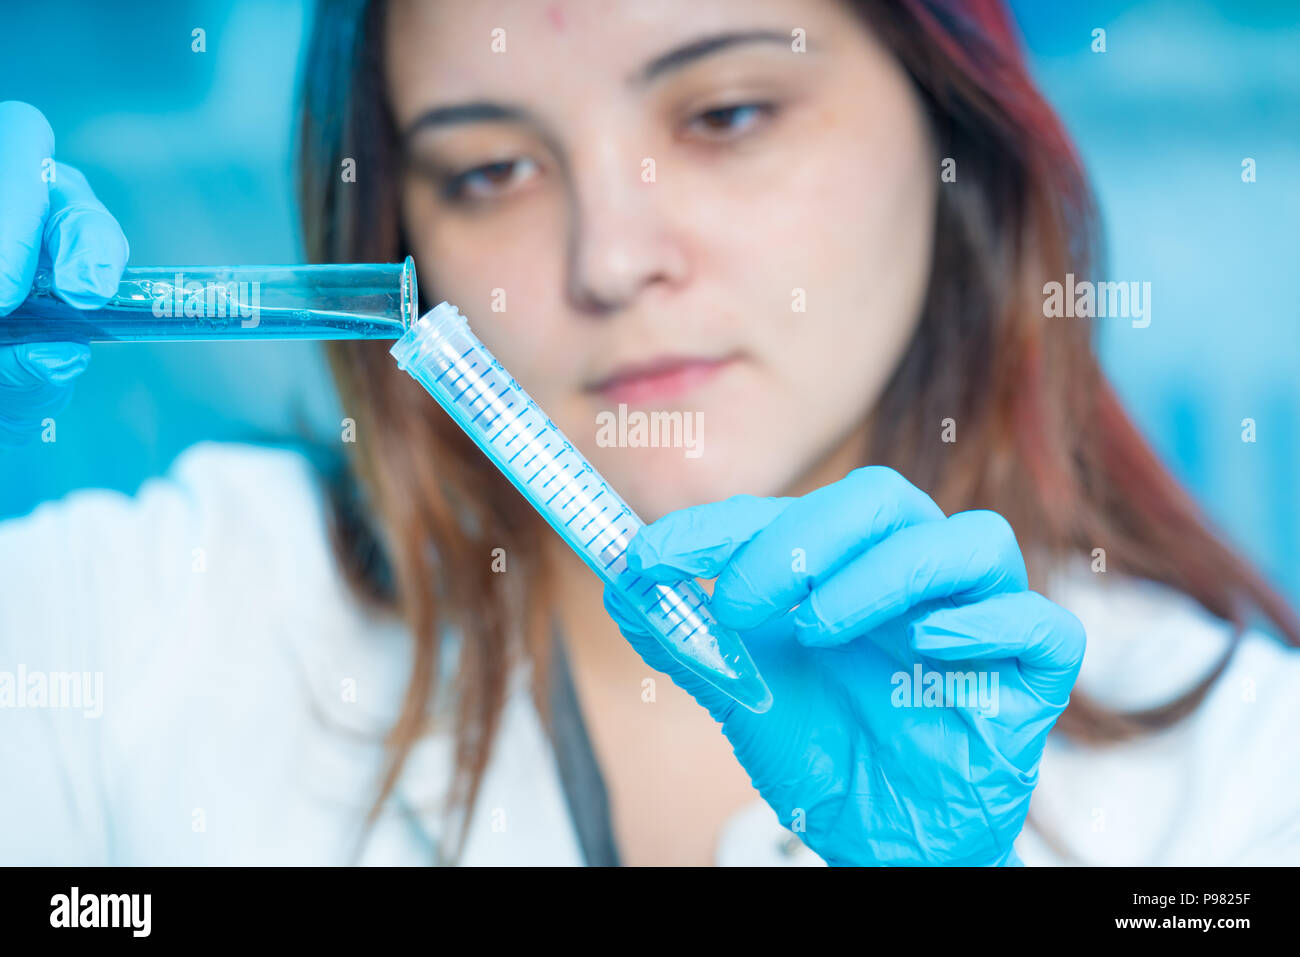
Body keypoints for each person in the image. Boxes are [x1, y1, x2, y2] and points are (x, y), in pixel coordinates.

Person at [1, 0, 1297, 867]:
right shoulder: (124, 629)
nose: (611, 260)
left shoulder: (1243, 784)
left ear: (949, 124)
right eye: (490, 169)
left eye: (726, 114)